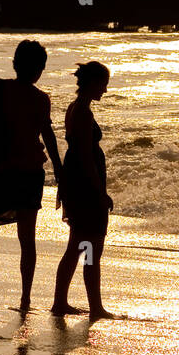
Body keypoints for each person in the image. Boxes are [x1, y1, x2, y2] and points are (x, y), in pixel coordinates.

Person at [0, 40, 63, 312]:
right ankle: (25, 300)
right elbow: (48, 137)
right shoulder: (41, 99)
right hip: (29, 173)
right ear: (39, 69)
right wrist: (61, 173)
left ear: (15, 64)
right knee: (27, 239)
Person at [51, 62, 113, 319]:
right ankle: (95, 307)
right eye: (103, 84)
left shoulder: (73, 108)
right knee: (90, 248)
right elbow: (86, 157)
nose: (106, 90)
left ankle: (60, 302)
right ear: (93, 83)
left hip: (76, 181)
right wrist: (100, 192)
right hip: (86, 186)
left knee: (77, 245)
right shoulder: (83, 113)